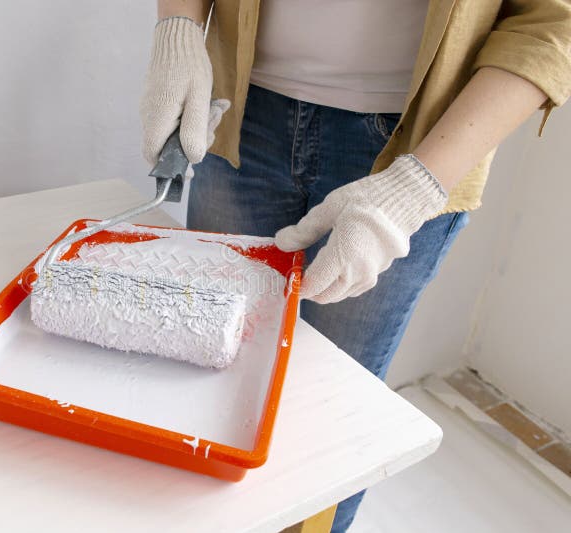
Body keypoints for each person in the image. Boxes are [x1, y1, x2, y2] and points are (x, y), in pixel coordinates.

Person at [139, 1, 571, 532]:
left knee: (329, 410)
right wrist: (179, 27)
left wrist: (418, 184)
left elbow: (554, 21)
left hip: (415, 143)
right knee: (206, 365)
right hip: (241, 110)